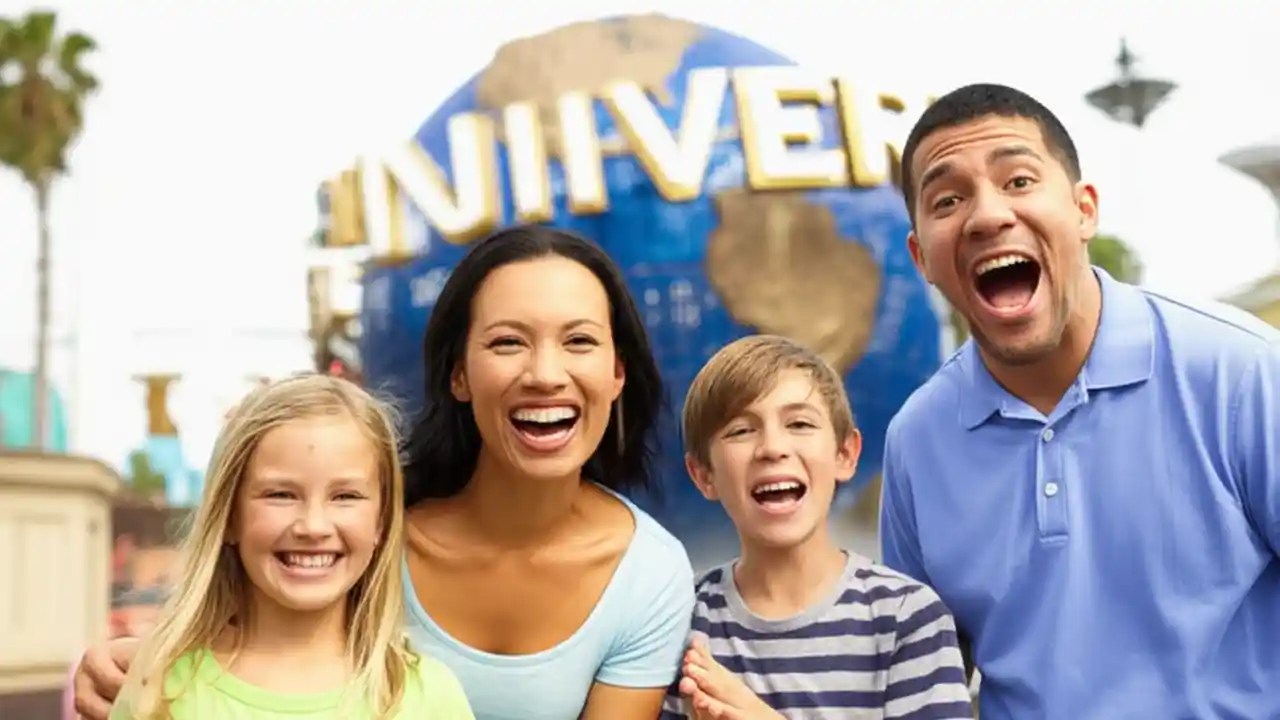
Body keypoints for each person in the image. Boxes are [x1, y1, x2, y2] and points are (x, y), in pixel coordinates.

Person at [73, 225, 696, 720]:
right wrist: (128, 667)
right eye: (508, 342)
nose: (544, 373)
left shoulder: (648, 576)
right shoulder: (354, 527)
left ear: (618, 372)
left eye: (580, 342)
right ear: (458, 374)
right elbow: (229, 650)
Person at [880, 82, 1280, 719]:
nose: (986, 217)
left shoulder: (1243, 372)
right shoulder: (915, 439)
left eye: (1017, 181)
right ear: (921, 255)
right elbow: (921, 683)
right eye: (948, 198)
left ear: (1084, 210)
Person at [106, 374, 474, 718]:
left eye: (345, 496)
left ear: (381, 521)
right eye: (280, 495)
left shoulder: (429, 697)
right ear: (230, 516)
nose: (313, 526)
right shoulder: (158, 691)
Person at [661, 335, 973, 719]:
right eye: (741, 430)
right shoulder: (679, 624)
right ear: (703, 474)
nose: (773, 447)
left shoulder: (908, 618)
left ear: (845, 454)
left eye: (799, 423)